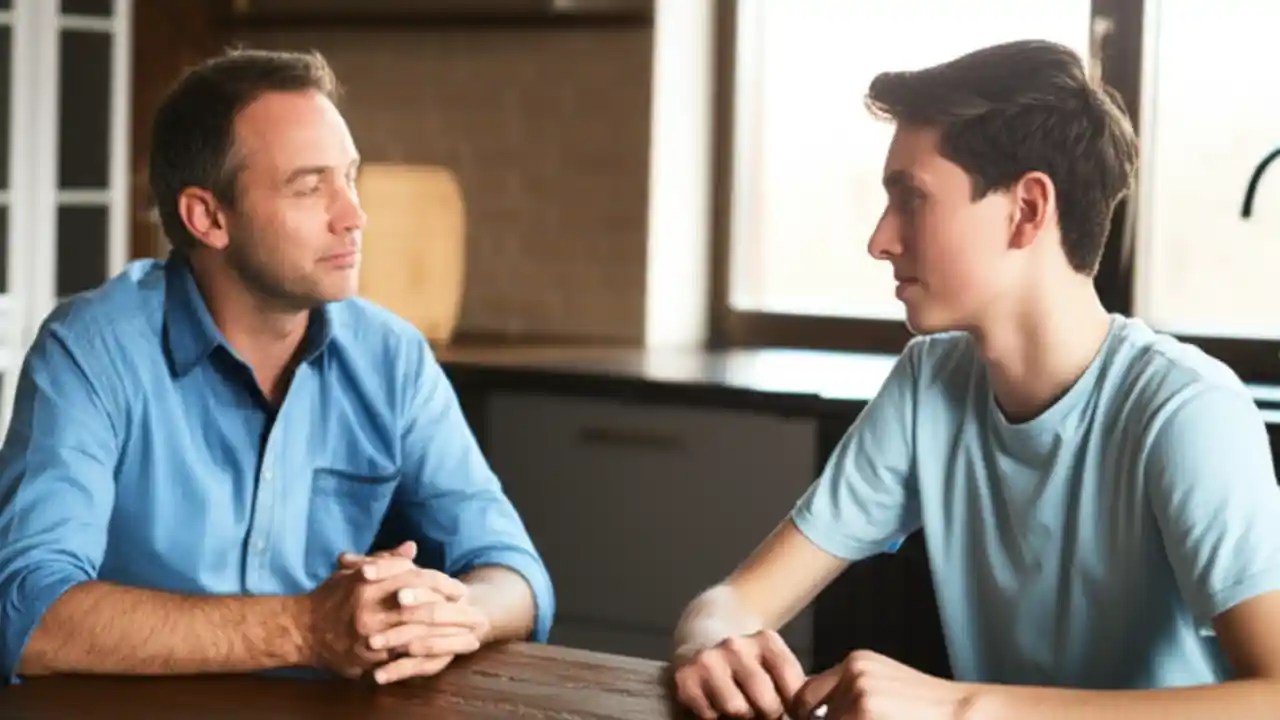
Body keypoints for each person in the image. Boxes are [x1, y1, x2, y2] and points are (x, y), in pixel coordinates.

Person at [671, 39, 1280, 719]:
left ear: (1026, 210)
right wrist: (709, 642)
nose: (880, 239)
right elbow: (733, 602)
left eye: (913, 199)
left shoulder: (1188, 412)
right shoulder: (928, 384)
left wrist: (965, 708)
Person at [0, 49, 553, 686]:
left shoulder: (390, 357)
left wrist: (450, 616)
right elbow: (29, 615)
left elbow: (513, 572)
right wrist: (305, 628)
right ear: (207, 217)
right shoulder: (92, 349)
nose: (353, 215)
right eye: (310, 186)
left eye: (350, 176)